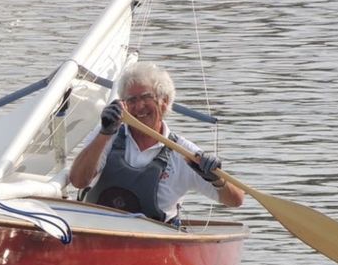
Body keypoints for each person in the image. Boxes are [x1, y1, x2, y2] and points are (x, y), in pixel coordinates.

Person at [68, 62, 244, 225]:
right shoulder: (107, 134)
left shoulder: (184, 152)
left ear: (164, 102)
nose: (139, 106)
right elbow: (78, 181)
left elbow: (236, 200)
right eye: (131, 100)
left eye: (146, 97)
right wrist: (104, 133)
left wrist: (216, 180)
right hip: (98, 231)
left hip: (153, 243)